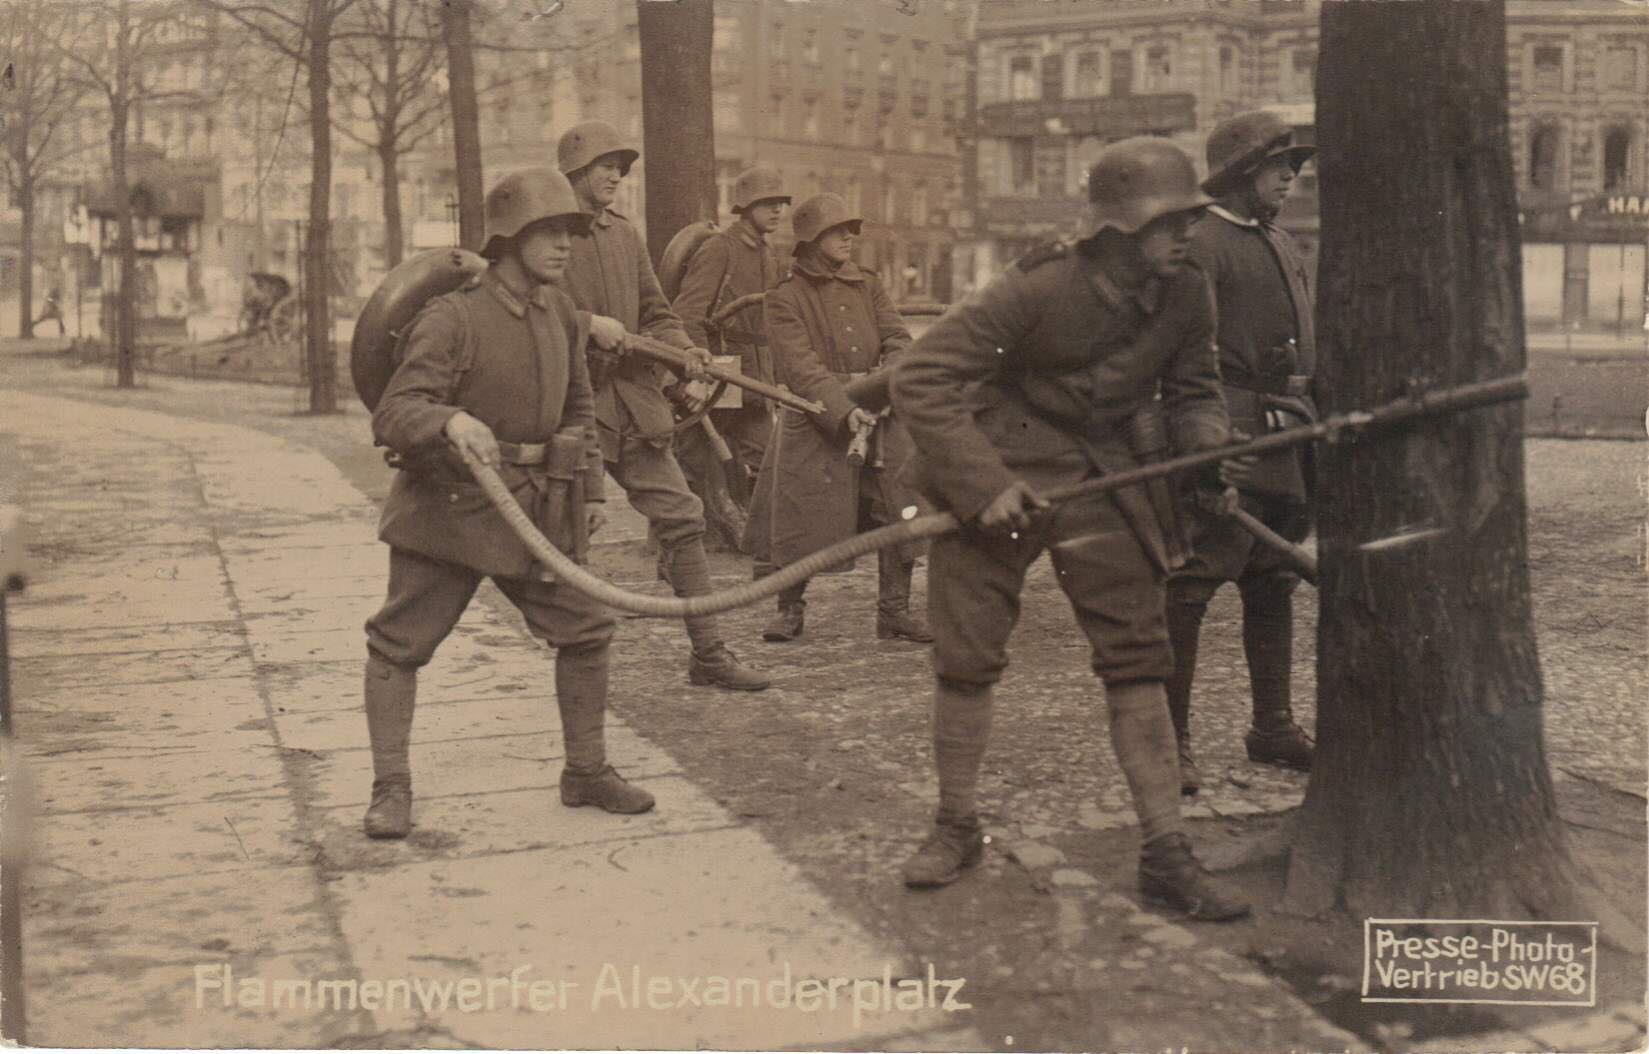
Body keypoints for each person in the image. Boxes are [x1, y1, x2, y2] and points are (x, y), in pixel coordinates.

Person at [889, 138, 1250, 920]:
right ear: (1121, 229)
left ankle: (1164, 853)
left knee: (1137, 658)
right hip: (999, 468)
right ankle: (955, 826)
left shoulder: (1188, 288)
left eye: (1192, 217)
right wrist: (982, 486)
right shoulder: (1039, 286)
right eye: (1171, 221)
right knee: (967, 659)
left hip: (1104, 477)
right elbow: (921, 377)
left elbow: (1194, 389)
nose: (1187, 233)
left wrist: (1206, 445)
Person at [361, 167, 654, 840]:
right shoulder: (453, 316)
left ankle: (585, 772)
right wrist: (449, 422)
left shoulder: (559, 315)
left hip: (535, 510)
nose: (564, 246)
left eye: (570, 234)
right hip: (450, 512)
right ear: (509, 237)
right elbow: (396, 412)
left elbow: (579, 408)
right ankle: (390, 789)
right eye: (549, 232)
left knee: (586, 631)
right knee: (399, 644)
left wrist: (588, 489)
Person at [555, 119, 769, 691]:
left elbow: (656, 312)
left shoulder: (625, 236)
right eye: (606, 166)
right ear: (575, 169)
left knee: (683, 517)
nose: (616, 177)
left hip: (634, 405)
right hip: (570, 409)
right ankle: (576, 669)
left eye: (621, 169)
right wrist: (584, 324)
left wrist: (685, 349)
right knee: (571, 533)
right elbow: (518, 316)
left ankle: (709, 655)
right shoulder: (546, 235)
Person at [1167, 111, 1319, 796]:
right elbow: (1178, 358)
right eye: (1277, 164)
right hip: (1220, 434)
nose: (1291, 176)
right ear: (1236, 173)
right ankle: (1168, 741)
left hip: (1281, 434)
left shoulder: (1279, 242)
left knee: (1272, 579)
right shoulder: (1199, 245)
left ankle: (1272, 726)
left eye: (1294, 165)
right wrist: (1198, 455)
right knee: (1190, 586)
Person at [745, 193, 931, 645]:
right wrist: (845, 409)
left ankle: (894, 611)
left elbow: (897, 338)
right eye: (837, 230)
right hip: (815, 415)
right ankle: (789, 610)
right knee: (798, 514)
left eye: (851, 228)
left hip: (881, 413)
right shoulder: (784, 297)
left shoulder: (868, 284)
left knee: (899, 507)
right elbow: (799, 366)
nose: (849, 237)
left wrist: (886, 385)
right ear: (810, 239)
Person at [671, 164, 789, 516]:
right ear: (746, 207)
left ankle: (747, 537)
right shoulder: (720, 248)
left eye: (780, 203)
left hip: (755, 377)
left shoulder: (768, 253)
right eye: (768, 203)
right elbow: (687, 313)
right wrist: (696, 373)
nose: (777, 210)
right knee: (695, 461)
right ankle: (677, 545)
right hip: (720, 371)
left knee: (767, 458)